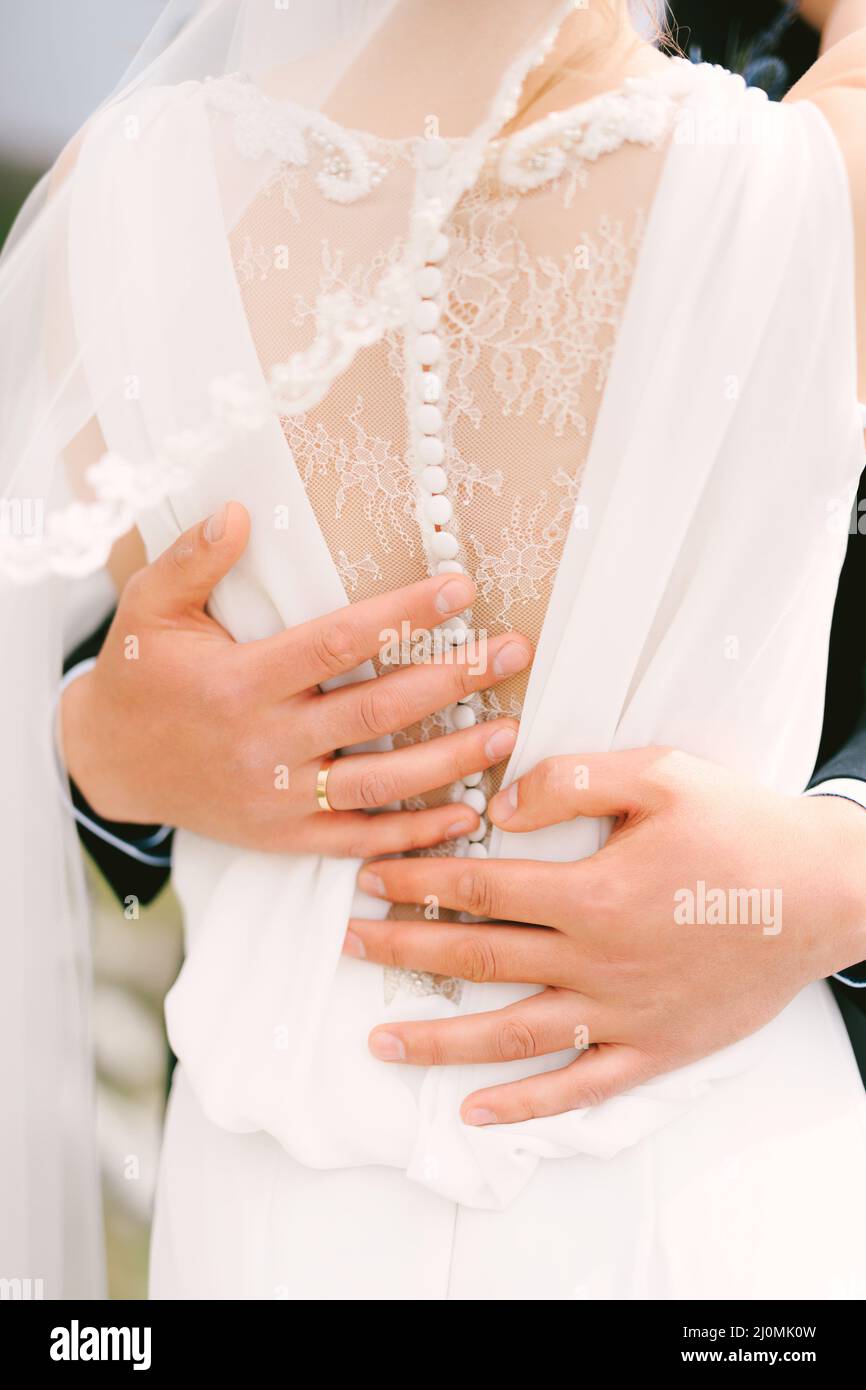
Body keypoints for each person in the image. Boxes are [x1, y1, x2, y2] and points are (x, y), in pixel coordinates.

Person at [4, 0, 866, 1298]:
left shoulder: (118, 201)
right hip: (700, 1184)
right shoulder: (815, 181)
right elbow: (111, 681)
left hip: (271, 1200)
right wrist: (98, 738)